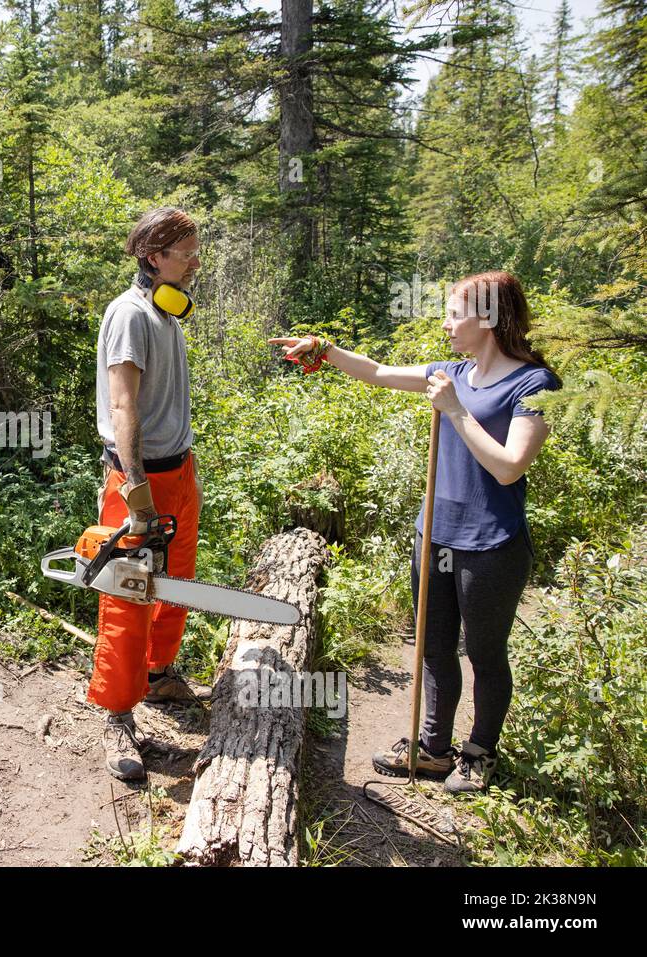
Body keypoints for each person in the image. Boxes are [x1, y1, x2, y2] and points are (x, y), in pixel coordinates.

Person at [270, 270, 562, 793]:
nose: (446, 323)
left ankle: (480, 752)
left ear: (489, 318)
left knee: (485, 653)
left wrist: (454, 409)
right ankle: (432, 748)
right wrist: (324, 349)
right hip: (436, 536)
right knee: (433, 646)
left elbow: (510, 467)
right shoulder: (450, 371)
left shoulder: (533, 385)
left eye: (455, 313)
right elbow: (379, 372)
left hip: (492, 546)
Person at [93, 206, 209, 781]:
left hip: (178, 472)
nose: (194, 264)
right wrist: (136, 487)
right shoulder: (130, 315)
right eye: (185, 254)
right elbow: (123, 406)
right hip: (139, 478)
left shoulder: (168, 314)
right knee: (128, 596)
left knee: (176, 581)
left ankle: (159, 672)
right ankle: (116, 712)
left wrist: (186, 475)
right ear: (153, 256)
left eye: (193, 253)